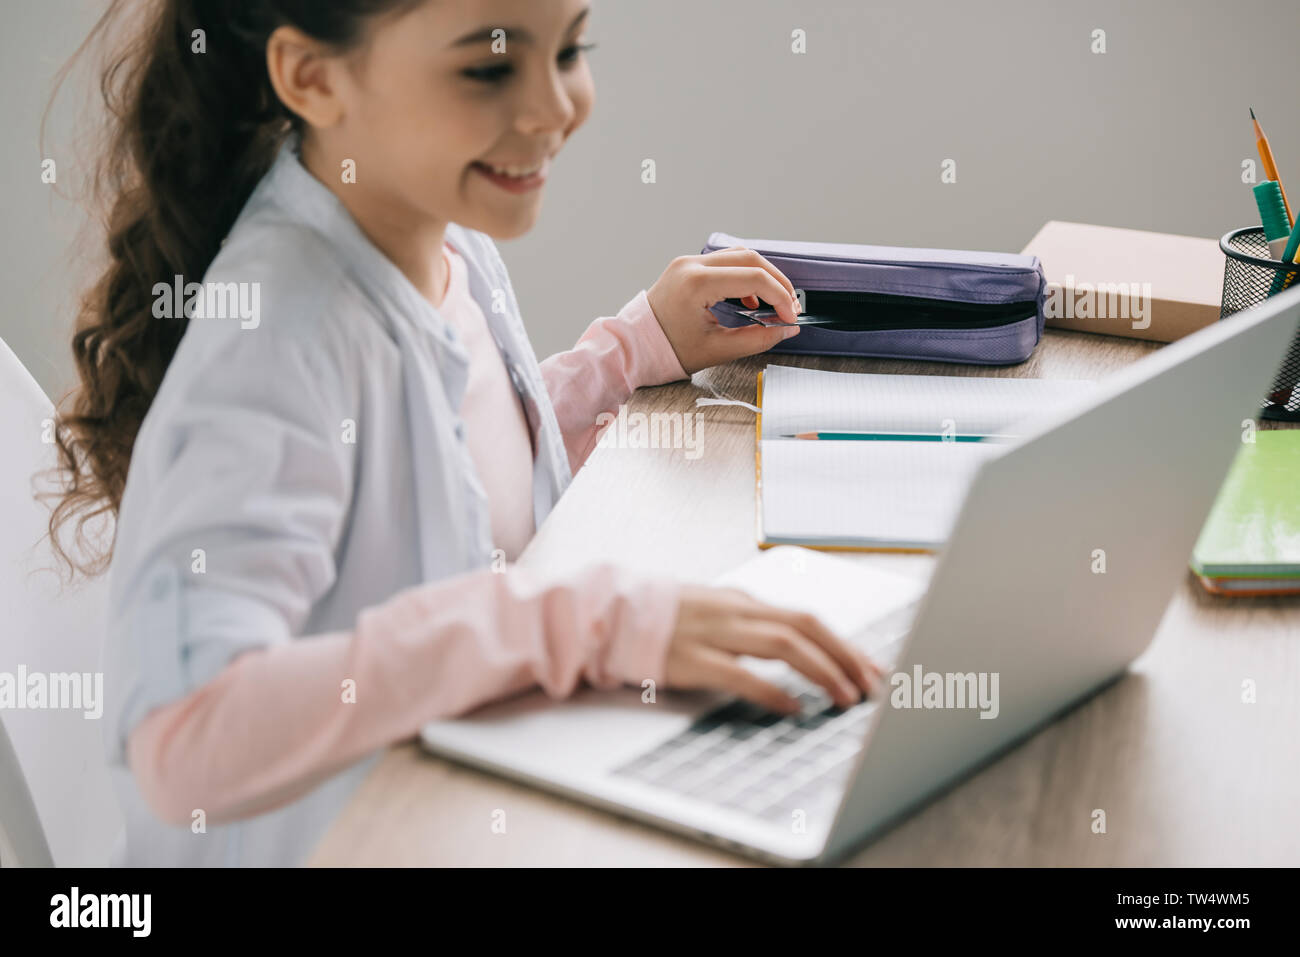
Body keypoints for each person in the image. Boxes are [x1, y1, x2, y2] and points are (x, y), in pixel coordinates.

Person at [50, 0, 882, 865]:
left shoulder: (433, 235)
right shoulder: (276, 343)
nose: (555, 107)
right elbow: (184, 738)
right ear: (313, 77)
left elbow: (449, 483)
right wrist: (575, 624)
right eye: (489, 67)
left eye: (570, 48)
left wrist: (629, 352)